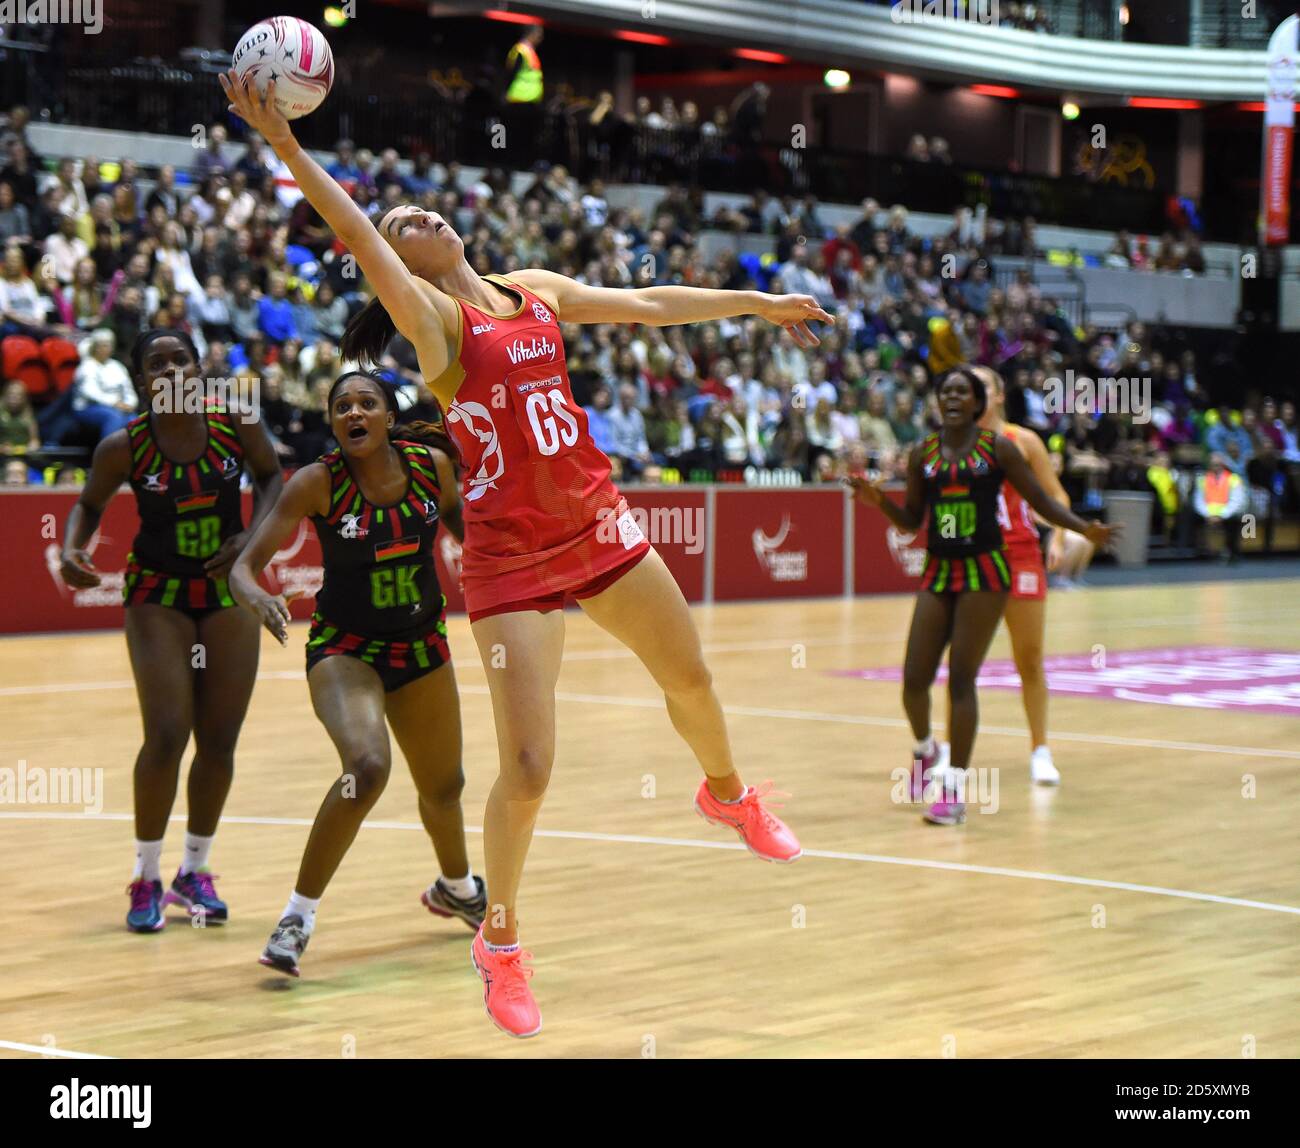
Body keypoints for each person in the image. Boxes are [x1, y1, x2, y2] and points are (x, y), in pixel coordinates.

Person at [221, 70, 830, 1037]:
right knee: (532, 769)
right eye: (403, 221)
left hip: (599, 525)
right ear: (406, 263)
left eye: (426, 210)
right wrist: (290, 150)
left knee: (693, 678)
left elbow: (644, 306)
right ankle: (499, 944)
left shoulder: (530, 289)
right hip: (510, 559)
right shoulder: (435, 326)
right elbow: (356, 237)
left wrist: (753, 301)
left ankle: (728, 797)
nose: (419, 215)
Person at [230, 371, 481, 977]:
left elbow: (469, 534)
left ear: (389, 417)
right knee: (366, 769)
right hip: (347, 650)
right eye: (342, 406)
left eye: (367, 402)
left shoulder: (432, 469)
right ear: (334, 423)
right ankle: (297, 916)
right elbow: (244, 567)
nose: (353, 412)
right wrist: (257, 596)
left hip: (421, 643)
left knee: (444, 787)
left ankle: (458, 889)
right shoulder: (316, 484)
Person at [59, 329, 283, 931]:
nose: (170, 370)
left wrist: (250, 542)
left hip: (226, 589)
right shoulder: (123, 447)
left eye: (179, 359)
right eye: (156, 364)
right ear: (142, 382)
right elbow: (87, 504)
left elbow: (272, 479)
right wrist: (72, 550)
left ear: (198, 367)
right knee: (165, 733)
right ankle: (144, 875)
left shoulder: (236, 420)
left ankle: (194, 871)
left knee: (218, 741)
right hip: (158, 592)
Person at [846, 367, 1115, 826]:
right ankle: (926, 750)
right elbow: (912, 521)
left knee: (961, 679)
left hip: (986, 571)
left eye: (962, 392)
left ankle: (952, 790)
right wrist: (880, 503)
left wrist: (1080, 528)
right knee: (913, 678)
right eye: (945, 390)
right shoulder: (923, 453)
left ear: (977, 403)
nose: (953, 398)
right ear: (937, 401)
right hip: (939, 569)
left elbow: (1042, 501)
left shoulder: (1001, 448)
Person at [1194, 452, 1249, 563]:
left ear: (1223, 465)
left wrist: (1222, 515)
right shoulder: (1202, 479)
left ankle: (1231, 551)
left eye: (1218, 464)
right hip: (1208, 514)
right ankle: (1202, 551)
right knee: (1191, 516)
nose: (1216, 467)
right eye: (1214, 464)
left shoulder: (1234, 479)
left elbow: (1237, 501)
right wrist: (1208, 515)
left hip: (1227, 513)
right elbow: (1198, 501)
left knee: (1238, 520)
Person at [504, 26, 544, 105]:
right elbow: (510, 73)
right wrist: (505, 92)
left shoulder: (530, 51)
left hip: (529, 100)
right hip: (518, 99)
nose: (541, 38)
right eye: (539, 35)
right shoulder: (519, 50)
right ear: (530, 34)